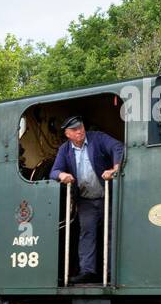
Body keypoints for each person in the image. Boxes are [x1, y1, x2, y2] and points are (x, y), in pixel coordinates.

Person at [48, 117, 124, 284]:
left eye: (81, 127)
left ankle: (113, 273)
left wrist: (115, 169)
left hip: (108, 196)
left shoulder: (97, 137)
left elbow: (117, 147)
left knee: (112, 233)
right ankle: (88, 271)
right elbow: (54, 171)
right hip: (86, 200)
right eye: (75, 130)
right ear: (67, 134)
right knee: (87, 234)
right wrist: (62, 175)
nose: (80, 131)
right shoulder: (65, 149)